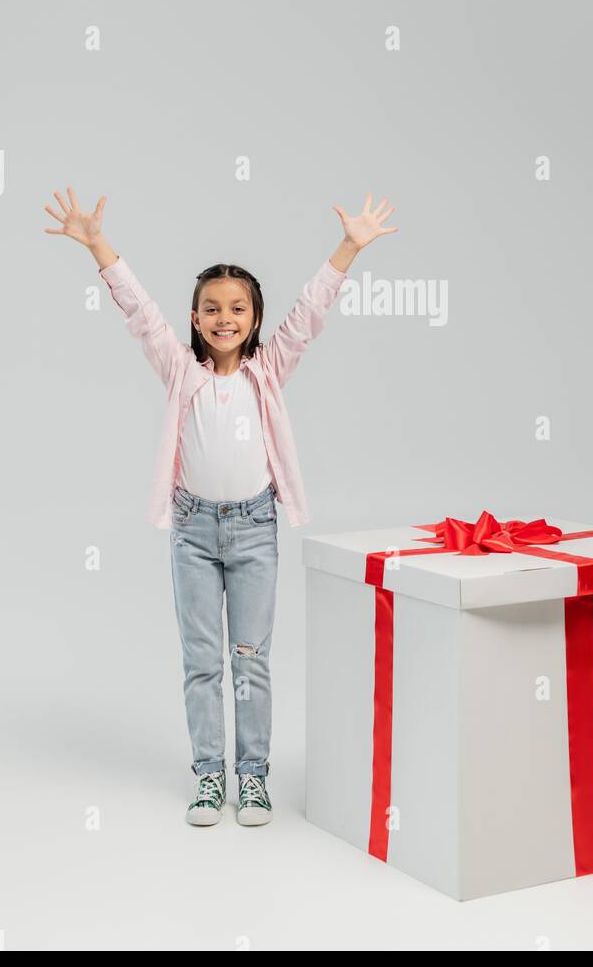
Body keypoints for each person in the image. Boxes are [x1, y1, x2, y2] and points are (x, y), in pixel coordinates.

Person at [44, 186, 397, 827]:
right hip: (194, 532)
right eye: (212, 309)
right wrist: (97, 244)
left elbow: (312, 312)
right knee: (202, 661)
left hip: (256, 530)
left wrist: (349, 246)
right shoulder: (180, 370)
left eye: (238, 308)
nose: (224, 318)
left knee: (251, 661)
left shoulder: (270, 369)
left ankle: (253, 778)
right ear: (196, 317)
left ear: (256, 319)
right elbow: (140, 313)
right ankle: (210, 777)